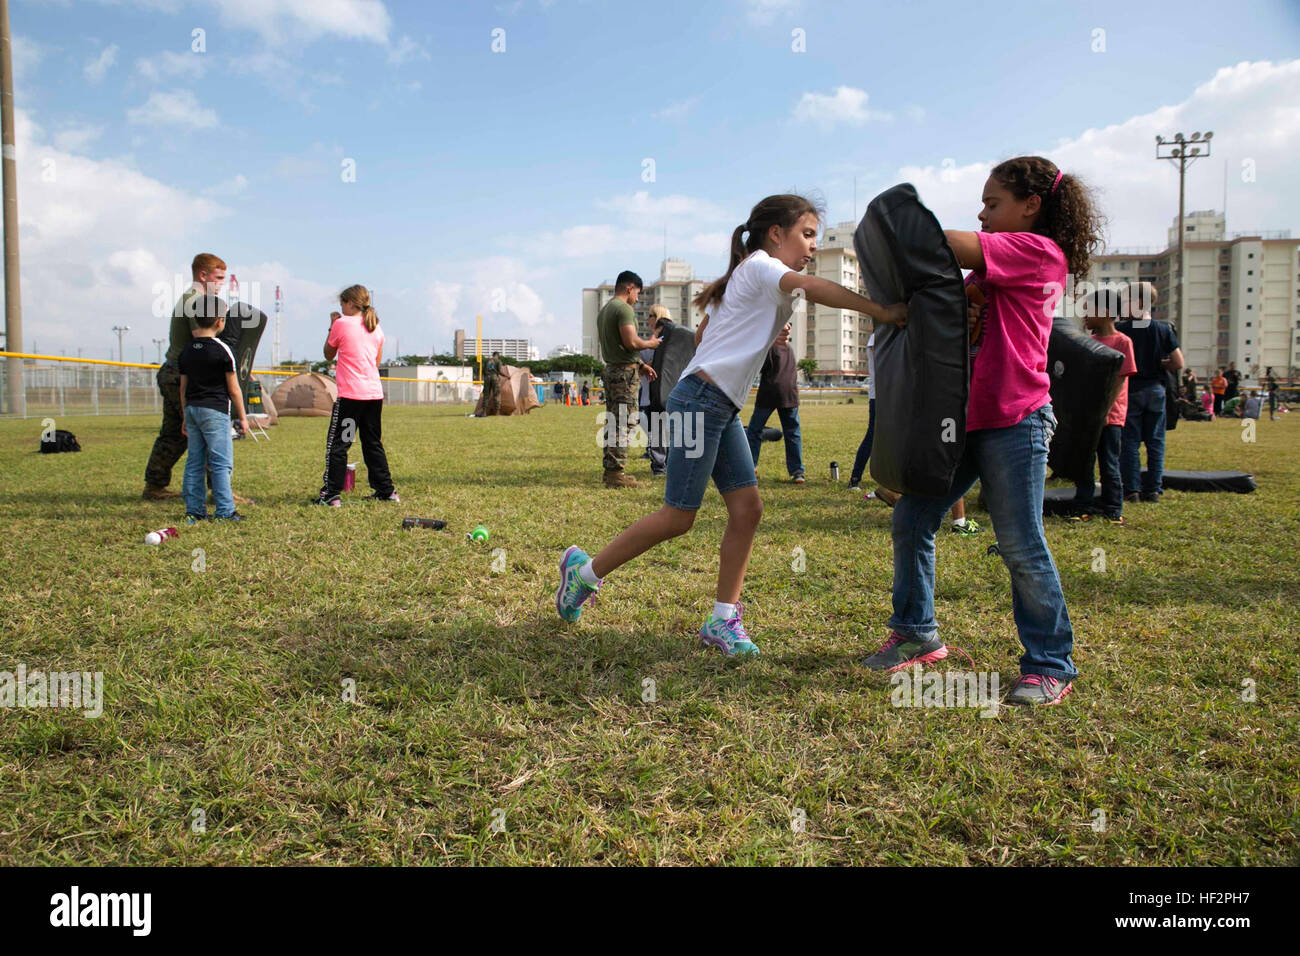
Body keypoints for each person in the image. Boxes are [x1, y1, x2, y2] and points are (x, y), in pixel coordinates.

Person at [556, 194, 907, 655]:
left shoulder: (749, 277)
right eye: (805, 236)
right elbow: (812, 287)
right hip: (701, 402)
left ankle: (722, 619)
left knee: (748, 509)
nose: (810, 248)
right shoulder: (762, 267)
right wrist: (879, 310)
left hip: (716, 405)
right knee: (678, 517)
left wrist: (764, 329)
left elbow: (706, 334)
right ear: (775, 234)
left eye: (815, 240)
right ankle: (582, 574)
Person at [862, 156, 1103, 707]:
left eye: (993, 203)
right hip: (965, 419)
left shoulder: (1037, 251)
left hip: (1017, 418)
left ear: (1031, 206)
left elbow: (943, 245)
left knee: (1019, 543)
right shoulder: (998, 266)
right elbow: (950, 295)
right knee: (913, 515)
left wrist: (898, 226)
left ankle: (1049, 664)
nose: (983, 212)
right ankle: (917, 632)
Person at [143, 253, 226, 500]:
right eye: (218, 277)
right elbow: (201, 339)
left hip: (173, 372)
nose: (222, 282)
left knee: (173, 434)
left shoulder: (190, 299)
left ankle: (154, 486)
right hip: (183, 377)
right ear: (203, 275)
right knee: (210, 430)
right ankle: (220, 492)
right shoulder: (197, 302)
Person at [311, 285, 398, 506]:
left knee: (340, 444)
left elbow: (328, 354)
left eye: (342, 304)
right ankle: (385, 491)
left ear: (350, 303)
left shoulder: (341, 324)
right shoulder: (375, 327)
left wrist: (331, 325)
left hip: (351, 398)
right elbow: (376, 362)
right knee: (372, 443)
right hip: (373, 396)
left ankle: (331, 495)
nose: (341, 308)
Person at [178, 295, 249, 522]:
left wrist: (183, 416)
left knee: (195, 462)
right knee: (220, 463)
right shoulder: (223, 350)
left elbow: (183, 388)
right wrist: (243, 417)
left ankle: (195, 511)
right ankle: (225, 511)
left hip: (192, 410)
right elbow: (234, 389)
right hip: (215, 412)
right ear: (220, 321)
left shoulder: (187, 350)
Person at [1069, 291, 1136, 523]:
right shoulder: (1087, 343)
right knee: (1084, 463)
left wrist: (1106, 410)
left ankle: (1113, 510)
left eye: (1089, 310)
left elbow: (1121, 378)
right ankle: (1083, 506)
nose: (1084, 315)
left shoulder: (1122, 342)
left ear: (1106, 313)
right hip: (1088, 417)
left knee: (1109, 462)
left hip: (1110, 417)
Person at [1116, 281, 1184, 503]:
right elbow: (1177, 362)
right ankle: (1153, 489)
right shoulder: (1164, 329)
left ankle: (1131, 489)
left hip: (1131, 389)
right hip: (1156, 390)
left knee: (1130, 443)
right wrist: (1158, 364)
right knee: (1156, 442)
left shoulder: (1121, 330)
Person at [597, 271, 661, 488]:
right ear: (629, 288)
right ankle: (616, 474)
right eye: (637, 294)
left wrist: (641, 365)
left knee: (613, 420)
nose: (637, 299)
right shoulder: (624, 309)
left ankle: (611, 471)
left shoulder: (605, 310)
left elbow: (619, 347)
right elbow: (631, 342)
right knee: (624, 422)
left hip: (613, 370)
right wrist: (651, 344)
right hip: (624, 375)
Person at [744, 321, 805, 482]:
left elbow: (760, 368)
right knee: (793, 433)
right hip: (789, 394)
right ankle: (797, 471)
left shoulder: (770, 347)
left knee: (754, 431)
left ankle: (751, 466)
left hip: (769, 394)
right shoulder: (790, 349)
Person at [638, 306, 671, 477]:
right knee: (659, 430)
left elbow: (641, 369)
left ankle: (661, 466)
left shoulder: (667, 341)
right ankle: (662, 463)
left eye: (650, 315)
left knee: (661, 430)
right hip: (652, 394)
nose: (647, 319)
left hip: (659, 394)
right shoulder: (647, 344)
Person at [847, 330, 877, 491]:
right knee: (872, 437)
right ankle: (855, 478)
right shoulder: (877, 337)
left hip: (893, 395)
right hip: (880, 397)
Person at [482, 351, 503, 416]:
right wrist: (506, 376)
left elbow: (483, 371)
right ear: (497, 355)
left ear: (493, 355)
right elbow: (500, 371)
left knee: (486, 395)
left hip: (487, 378)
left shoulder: (487, 361)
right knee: (496, 395)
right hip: (494, 378)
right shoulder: (498, 361)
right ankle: (497, 412)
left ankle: (484, 412)